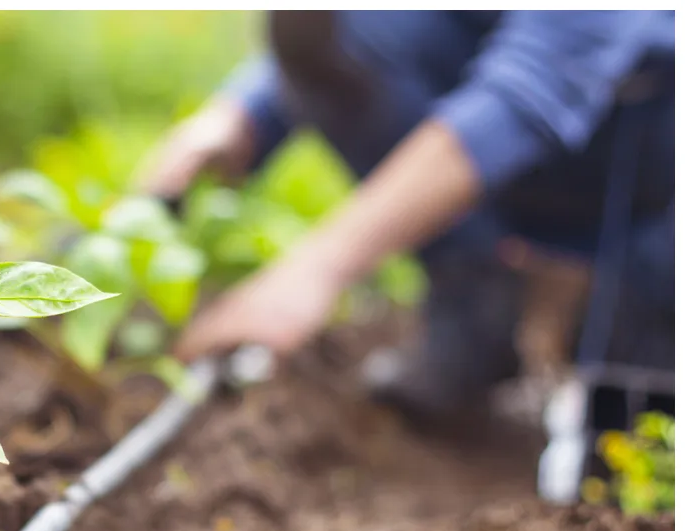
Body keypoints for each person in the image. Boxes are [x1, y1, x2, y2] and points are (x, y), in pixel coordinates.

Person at [140, 11, 675, 428]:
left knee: (635, 433)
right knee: (316, 18)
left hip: (649, 162)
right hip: (522, 156)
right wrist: (242, 114)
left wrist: (312, 272)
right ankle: (477, 303)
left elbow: (531, 88)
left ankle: (635, 309)